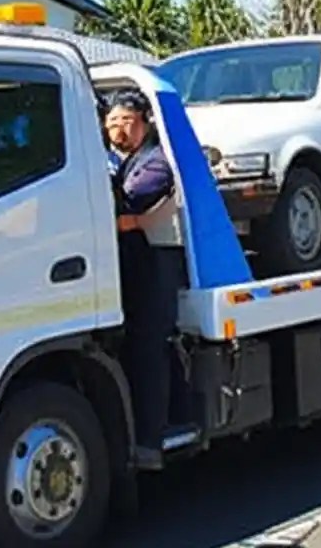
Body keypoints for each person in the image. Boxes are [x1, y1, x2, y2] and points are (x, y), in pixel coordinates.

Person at [103, 88, 187, 470]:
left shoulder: (154, 162)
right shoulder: (120, 162)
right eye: (112, 123)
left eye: (126, 122)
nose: (118, 130)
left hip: (157, 261)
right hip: (135, 265)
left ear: (145, 123)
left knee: (149, 347)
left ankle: (152, 441)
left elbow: (131, 201)